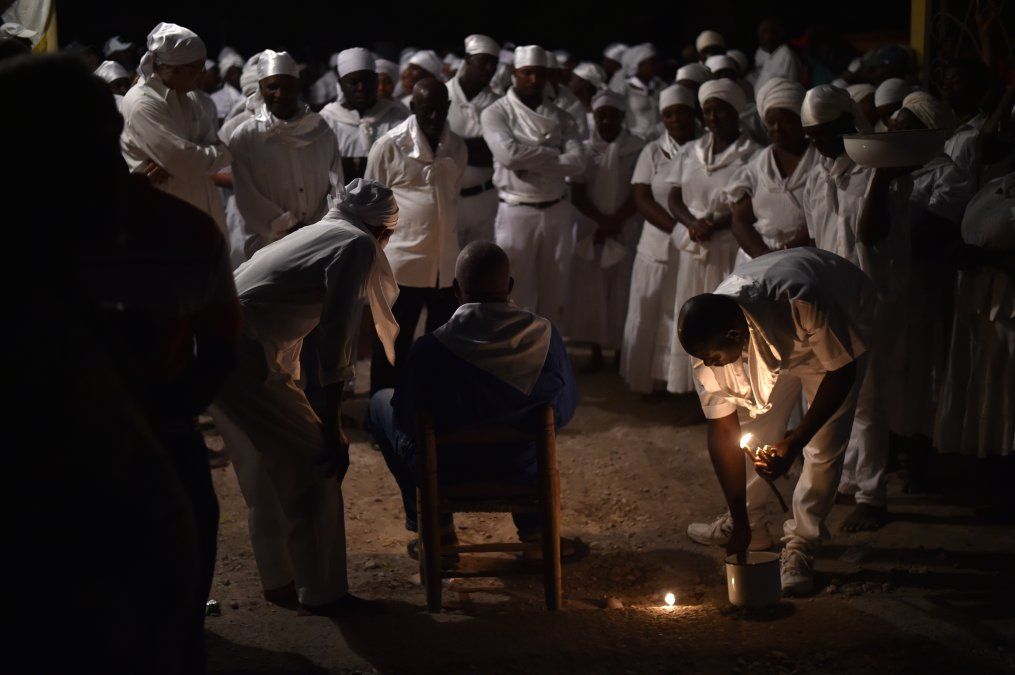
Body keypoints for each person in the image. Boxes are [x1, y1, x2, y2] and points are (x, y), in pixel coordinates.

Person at [209, 178, 400, 616]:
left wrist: (292, 386)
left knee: (262, 466)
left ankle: (279, 581)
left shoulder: (320, 230)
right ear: (382, 230)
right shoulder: (356, 244)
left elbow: (286, 319)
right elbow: (335, 339)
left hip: (217, 344)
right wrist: (332, 428)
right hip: (242, 350)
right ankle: (324, 593)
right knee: (318, 461)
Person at [679, 247, 877, 595]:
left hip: (839, 320)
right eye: (701, 359)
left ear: (734, 337)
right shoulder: (707, 342)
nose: (707, 366)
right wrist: (738, 517)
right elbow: (723, 428)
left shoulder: (800, 298)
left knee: (824, 443)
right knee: (757, 423)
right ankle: (752, 525)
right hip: (773, 336)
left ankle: (802, 543)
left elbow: (842, 372)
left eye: (711, 359)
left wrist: (794, 442)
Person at [365, 241, 578, 558]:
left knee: (380, 403)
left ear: (455, 289)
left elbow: (408, 422)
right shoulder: (544, 336)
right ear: (509, 286)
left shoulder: (431, 349)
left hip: (448, 472)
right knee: (533, 426)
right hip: (522, 470)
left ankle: (436, 528)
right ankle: (534, 530)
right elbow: (564, 409)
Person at [797, 84, 898, 532]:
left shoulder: (875, 169)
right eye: (811, 134)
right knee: (839, 395)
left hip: (873, 293)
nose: (817, 142)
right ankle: (849, 478)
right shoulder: (817, 174)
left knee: (870, 397)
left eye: (825, 132)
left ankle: (873, 493)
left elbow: (874, 236)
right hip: (832, 298)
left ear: (848, 124)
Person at [365, 79, 466, 392]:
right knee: (393, 343)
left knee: (440, 345)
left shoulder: (457, 146)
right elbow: (370, 204)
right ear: (413, 108)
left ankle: (430, 407)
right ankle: (383, 410)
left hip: (444, 265)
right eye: (427, 111)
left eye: (441, 110)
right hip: (402, 265)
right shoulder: (389, 145)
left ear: (449, 108)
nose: (435, 117)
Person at [665, 79, 761, 396]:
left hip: (728, 245)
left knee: (724, 319)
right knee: (690, 316)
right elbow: (674, 196)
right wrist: (693, 223)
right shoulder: (691, 151)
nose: (714, 117)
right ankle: (696, 392)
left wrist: (713, 223)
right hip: (695, 244)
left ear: (736, 112)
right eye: (708, 111)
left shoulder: (753, 154)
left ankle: (731, 392)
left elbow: (750, 205)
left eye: (720, 110)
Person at [482, 45, 586, 325]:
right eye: (527, 73)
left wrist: (530, 158)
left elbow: (578, 162)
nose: (533, 79)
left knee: (557, 286)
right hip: (516, 209)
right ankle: (514, 349)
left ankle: (549, 352)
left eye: (539, 74)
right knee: (515, 286)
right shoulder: (497, 112)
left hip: (556, 208)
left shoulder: (563, 117)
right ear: (515, 74)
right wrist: (554, 153)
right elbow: (508, 156)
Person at [934, 169, 1014, 515]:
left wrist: (988, 258)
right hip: (978, 302)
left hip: (1008, 305)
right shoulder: (995, 185)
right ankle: (985, 474)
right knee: (985, 387)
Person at [621, 84, 701, 395]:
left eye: (682, 112)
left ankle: (682, 386)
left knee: (683, 313)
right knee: (650, 311)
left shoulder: (703, 151)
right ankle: (647, 381)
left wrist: (690, 231)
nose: (677, 119)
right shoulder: (652, 151)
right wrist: (677, 229)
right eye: (669, 114)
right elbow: (642, 198)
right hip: (657, 245)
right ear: (663, 119)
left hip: (694, 248)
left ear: (693, 114)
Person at [228, 50, 342, 261]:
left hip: (317, 239)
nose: (280, 94)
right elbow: (247, 194)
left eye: (287, 87)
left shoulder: (320, 129)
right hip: (266, 241)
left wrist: (320, 225)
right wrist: (289, 226)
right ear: (261, 88)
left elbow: (335, 183)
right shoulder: (247, 136)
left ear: (298, 88)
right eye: (273, 87)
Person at [120, 22, 231, 235]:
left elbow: (192, 157)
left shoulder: (191, 97)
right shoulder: (141, 102)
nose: (203, 73)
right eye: (198, 67)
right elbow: (184, 161)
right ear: (175, 68)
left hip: (204, 208)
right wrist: (213, 154)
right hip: (165, 218)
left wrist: (187, 158)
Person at [566, 90, 645, 372]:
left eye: (613, 115)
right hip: (592, 228)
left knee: (622, 288)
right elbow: (577, 192)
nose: (607, 120)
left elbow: (639, 191)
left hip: (626, 227)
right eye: (601, 115)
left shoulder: (637, 149)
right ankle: (596, 351)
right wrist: (601, 222)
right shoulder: (584, 150)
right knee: (592, 290)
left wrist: (615, 223)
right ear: (594, 117)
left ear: (623, 118)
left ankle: (621, 352)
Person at [727, 77, 818, 264]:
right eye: (771, 122)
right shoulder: (756, 166)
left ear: (802, 121)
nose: (777, 129)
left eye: (786, 122)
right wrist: (763, 257)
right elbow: (740, 221)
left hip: (806, 258)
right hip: (757, 259)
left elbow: (818, 218)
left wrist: (785, 254)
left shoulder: (820, 161)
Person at [320, 47, 409, 181]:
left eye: (366, 81)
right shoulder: (326, 121)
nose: (361, 88)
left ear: (375, 80)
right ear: (341, 84)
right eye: (353, 82)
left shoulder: (397, 116)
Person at [447, 34, 501, 248]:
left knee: (482, 269)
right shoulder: (442, 95)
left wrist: (455, 145)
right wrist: (480, 146)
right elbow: (435, 151)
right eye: (483, 61)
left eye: (493, 64)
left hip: (486, 197)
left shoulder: (499, 104)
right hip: (449, 199)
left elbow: (499, 153)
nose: (489, 68)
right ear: (468, 59)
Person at [941, 58, 991, 185]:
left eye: (956, 82)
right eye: (946, 81)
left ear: (974, 87)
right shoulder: (942, 125)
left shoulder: (978, 134)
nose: (946, 87)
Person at [618, 43, 664, 139]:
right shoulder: (624, 89)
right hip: (637, 141)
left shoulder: (661, 86)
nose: (655, 66)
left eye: (656, 62)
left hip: (662, 139)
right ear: (638, 65)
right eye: (651, 63)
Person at [753, 18, 802, 95]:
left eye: (765, 32)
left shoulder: (786, 56)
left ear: (777, 33)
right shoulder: (770, 56)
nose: (761, 36)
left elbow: (790, 91)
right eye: (759, 33)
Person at [211, 46, 245, 122]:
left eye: (238, 72)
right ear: (225, 77)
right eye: (232, 74)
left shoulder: (247, 93)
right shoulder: (216, 97)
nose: (237, 76)